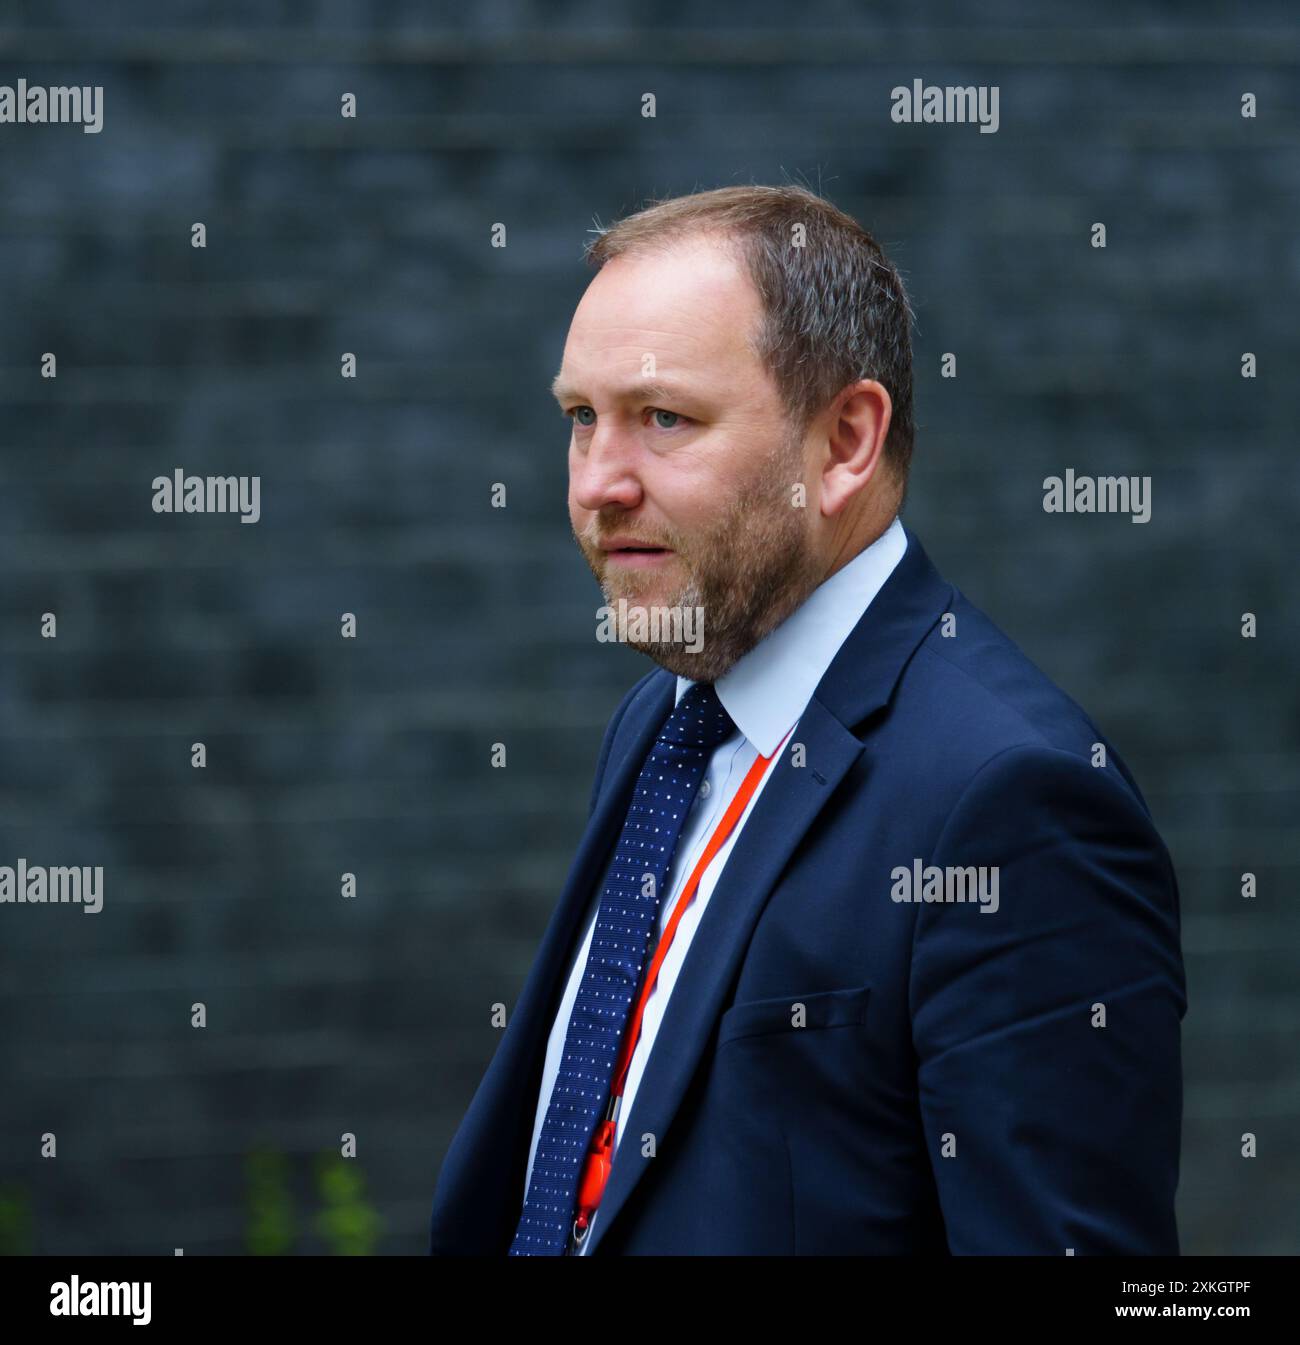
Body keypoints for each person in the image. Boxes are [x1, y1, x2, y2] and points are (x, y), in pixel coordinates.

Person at [428, 184, 1185, 1255]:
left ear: (844, 443)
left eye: (664, 419)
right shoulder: (663, 724)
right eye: (579, 419)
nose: (598, 481)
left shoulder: (1012, 801)